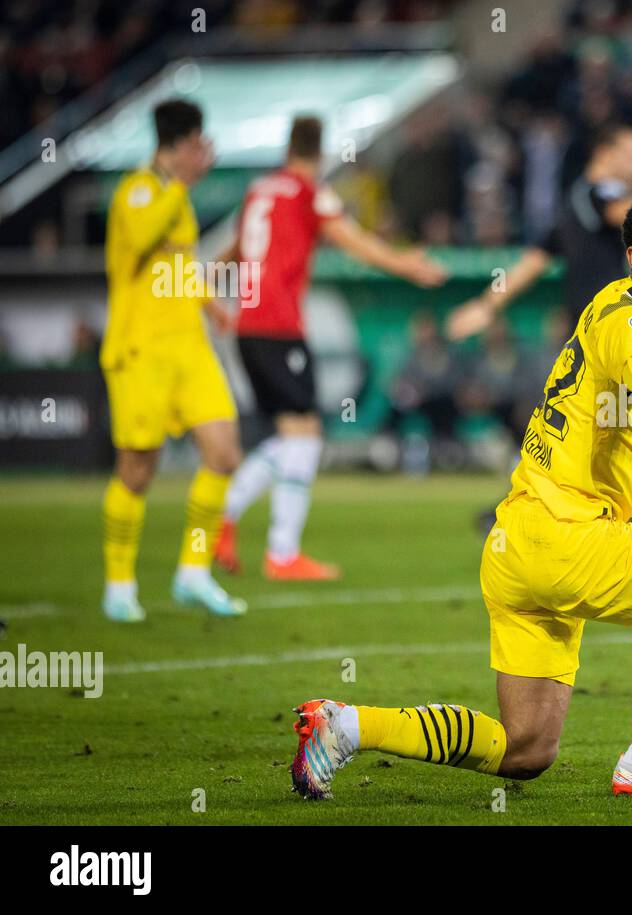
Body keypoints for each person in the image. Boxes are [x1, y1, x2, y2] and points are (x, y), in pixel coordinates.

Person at [288, 191, 632, 799]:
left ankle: (345, 726)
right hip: (569, 541)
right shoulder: (631, 324)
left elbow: (619, 457)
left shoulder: (607, 307)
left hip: (516, 547)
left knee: (526, 748)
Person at [214, 115, 446, 581]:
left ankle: (231, 526)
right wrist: (406, 265)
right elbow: (354, 243)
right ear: (318, 155)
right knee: (303, 439)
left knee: (292, 437)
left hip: (247, 328)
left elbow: (233, 252)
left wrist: (215, 300)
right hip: (280, 329)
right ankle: (276, 550)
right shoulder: (308, 192)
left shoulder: (260, 190)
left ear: (287, 148)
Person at [100, 98, 246, 622]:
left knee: (225, 454)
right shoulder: (139, 190)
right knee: (137, 470)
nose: (203, 155)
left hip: (189, 347)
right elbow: (140, 240)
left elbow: (178, 265)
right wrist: (181, 183)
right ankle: (119, 584)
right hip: (142, 350)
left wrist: (211, 306)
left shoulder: (174, 197)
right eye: (198, 146)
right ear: (179, 146)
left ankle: (193, 571)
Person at [443, 124, 632, 341]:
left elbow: (534, 261)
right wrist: (486, 306)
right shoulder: (593, 195)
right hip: (609, 326)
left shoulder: (571, 206)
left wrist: (487, 305)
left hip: (598, 330)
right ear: (604, 153)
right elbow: (631, 215)